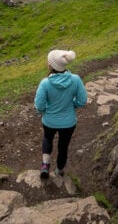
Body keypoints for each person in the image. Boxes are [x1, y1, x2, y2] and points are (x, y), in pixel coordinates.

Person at [34, 49, 87, 179]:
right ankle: (59, 170)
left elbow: (39, 105)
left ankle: (45, 165)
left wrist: (44, 112)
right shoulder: (75, 79)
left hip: (49, 121)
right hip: (69, 122)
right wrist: (72, 105)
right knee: (63, 146)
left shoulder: (45, 83)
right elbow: (82, 101)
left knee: (47, 138)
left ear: (51, 65)